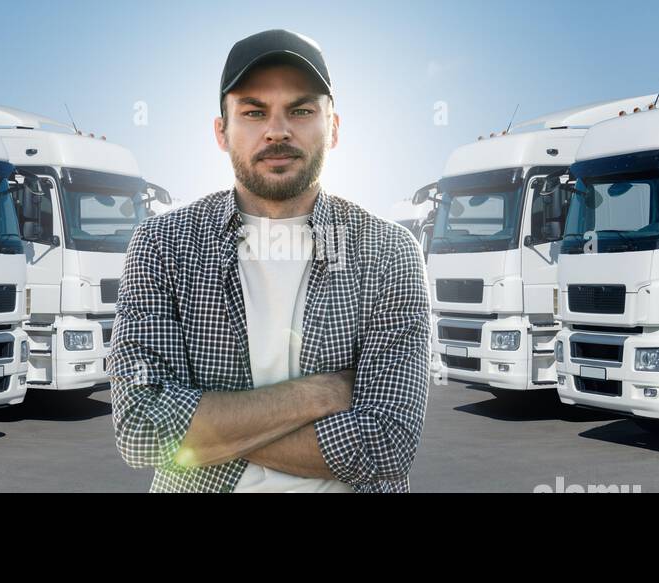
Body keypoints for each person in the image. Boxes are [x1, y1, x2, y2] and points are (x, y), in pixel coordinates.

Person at [109, 29, 430, 492]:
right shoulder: (163, 244)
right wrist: (319, 393)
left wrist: (208, 423)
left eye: (300, 110)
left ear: (333, 127)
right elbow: (140, 428)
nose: (277, 131)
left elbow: (386, 448)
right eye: (254, 112)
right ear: (222, 131)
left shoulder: (388, 251)